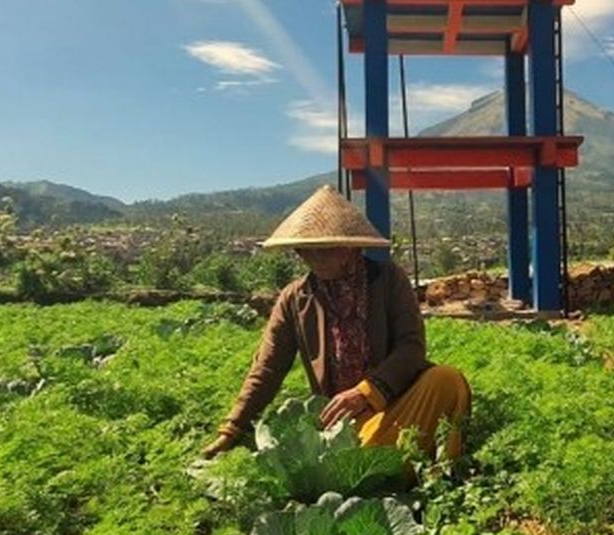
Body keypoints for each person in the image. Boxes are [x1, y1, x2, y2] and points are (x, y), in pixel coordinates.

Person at [201, 185, 471, 459]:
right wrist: (232, 429)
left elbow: (411, 348)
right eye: (305, 251)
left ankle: (416, 463)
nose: (314, 259)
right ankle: (381, 460)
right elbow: (267, 369)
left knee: (447, 380)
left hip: (396, 404)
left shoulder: (389, 280)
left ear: (349, 247)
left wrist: (366, 392)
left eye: (324, 250)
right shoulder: (295, 299)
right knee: (360, 451)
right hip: (342, 425)